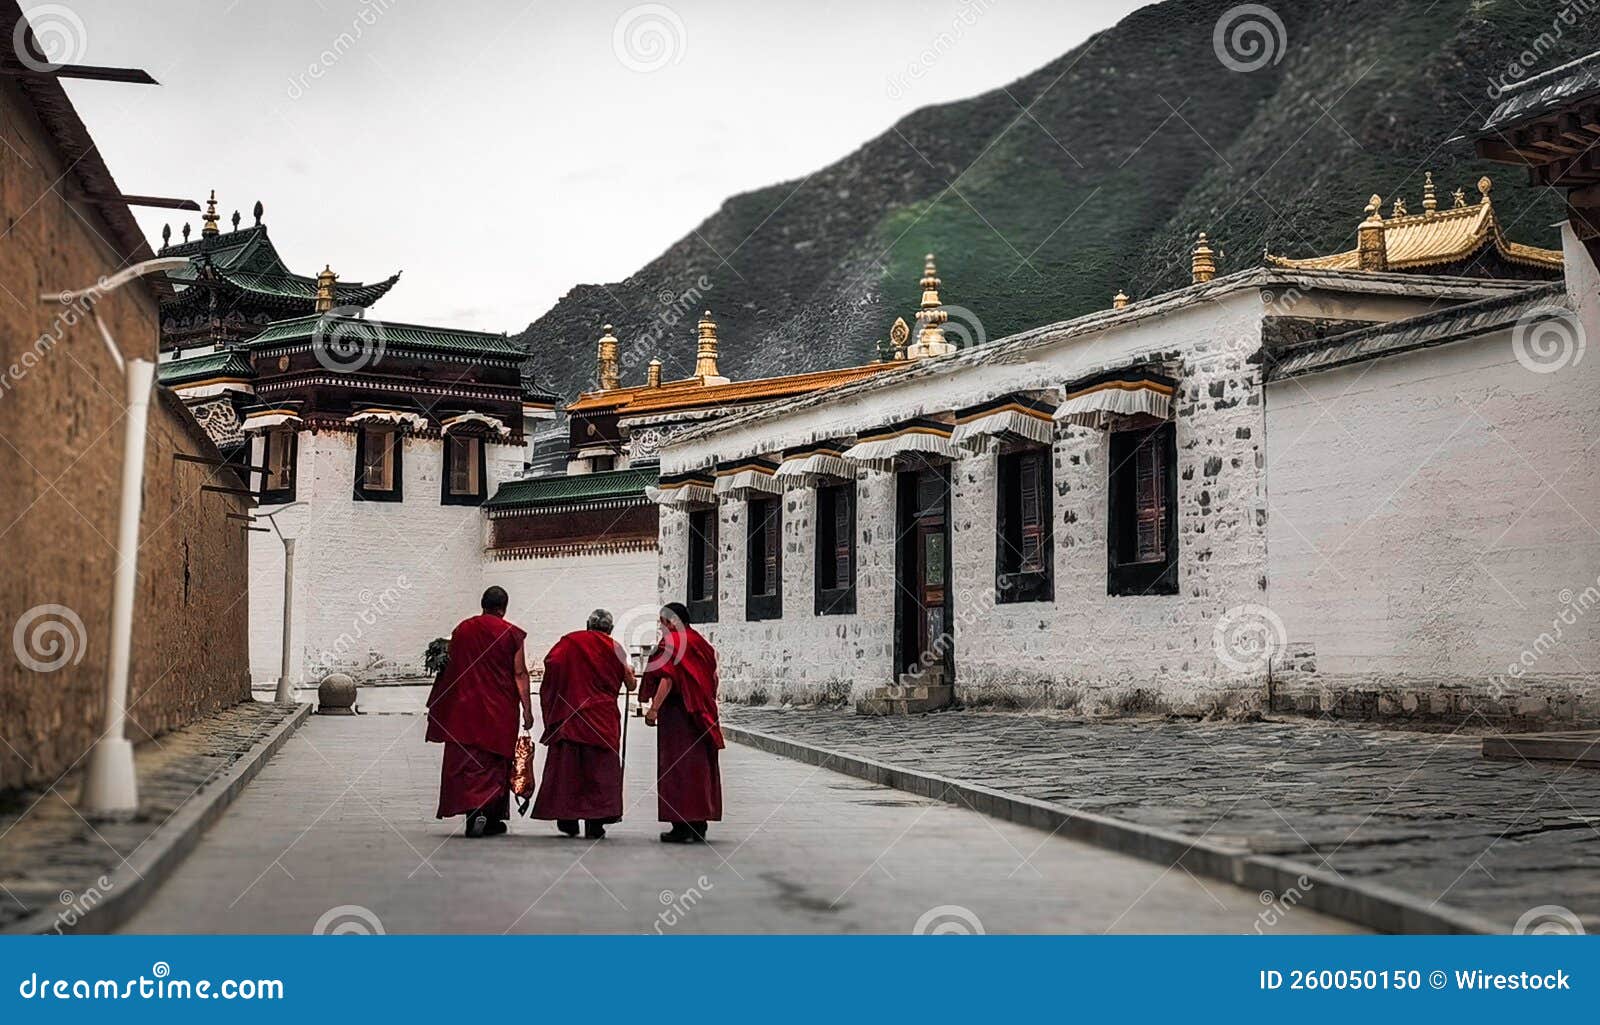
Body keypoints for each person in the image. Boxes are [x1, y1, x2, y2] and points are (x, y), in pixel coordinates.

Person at [426, 586, 533, 838]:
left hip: (463, 708)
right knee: (494, 762)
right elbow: (519, 672)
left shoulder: (462, 629)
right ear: (504, 608)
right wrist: (527, 709)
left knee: (466, 761)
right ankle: (490, 815)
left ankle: (474, 813)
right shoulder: (512, 634)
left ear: (482, 604)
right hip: (498, 709)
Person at [533, 609, 636, 839]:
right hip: (602, 718)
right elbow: (630, 685)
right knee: (599, 771)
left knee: (569, 769)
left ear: (588, 625)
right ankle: (595, 822)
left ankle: (568, 818)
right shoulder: (615, 648)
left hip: (570, 715)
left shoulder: (570, 642)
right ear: (609, 629)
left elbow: (552, 665)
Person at [641, 602, 724, 843]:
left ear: (671, 621)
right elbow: (712, 676)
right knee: (698, 767)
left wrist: (654, 709)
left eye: (662, 622)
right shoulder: (700, 642)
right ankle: (699, 823)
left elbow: (668, 677)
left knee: (677, 767)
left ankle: (681, 825)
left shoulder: (673, 643)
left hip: (678, 714)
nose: (661, 627)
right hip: (700, 713)